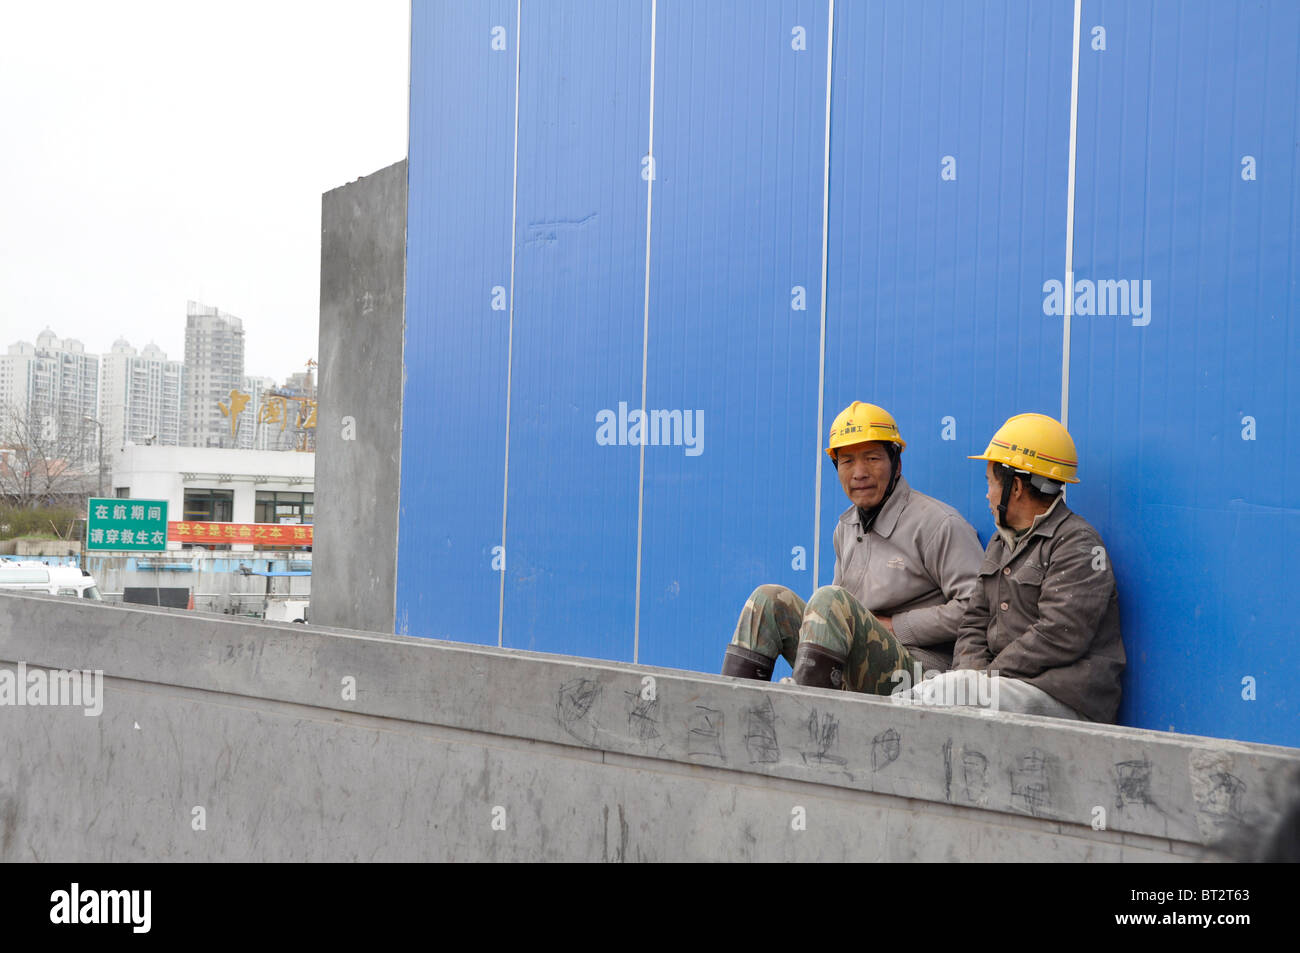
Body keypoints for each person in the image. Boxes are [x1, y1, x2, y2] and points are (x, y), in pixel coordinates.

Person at [721, 401, 983, 692]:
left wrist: (897, 626)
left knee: (830, 600)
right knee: (769, 601)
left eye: (872, 459)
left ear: (896, 464)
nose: (859, 473)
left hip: (917, 674)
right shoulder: (846, 527)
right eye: (847, 462)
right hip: (853, 663)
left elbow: (978, 611)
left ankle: (809, 718)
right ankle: (733, 711)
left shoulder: (938, 523)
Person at [893, 413, 1126, 722]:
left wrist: (984, 680)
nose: (987, 494)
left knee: (954, 689)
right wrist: (973, 675)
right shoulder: (1000, 543)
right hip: (1003, 688)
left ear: (1015, 487)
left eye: (990, 482)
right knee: (947, 687)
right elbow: (974, 622)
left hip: (1065, 699)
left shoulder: (1078, 544)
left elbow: (1059, 635)